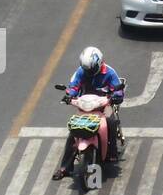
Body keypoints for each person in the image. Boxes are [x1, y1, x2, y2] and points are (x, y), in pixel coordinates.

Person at [52, 46, 125, 181]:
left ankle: (112, 152)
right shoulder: (81, 72)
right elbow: (74, 87)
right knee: (73, 134)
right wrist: (69, 95)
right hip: (85, 105)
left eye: (91, 69)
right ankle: (65, 168)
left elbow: (118, 89)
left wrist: (116, 96)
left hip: (103, 104)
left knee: (111, 122)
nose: (89, 72)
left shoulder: (109, 72)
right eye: (87, 70)